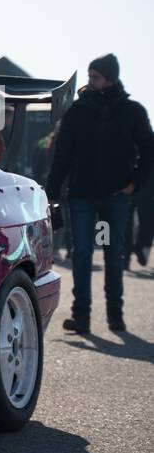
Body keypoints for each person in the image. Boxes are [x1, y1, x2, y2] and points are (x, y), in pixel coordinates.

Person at [45, 53, 154, 333]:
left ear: (110, 78)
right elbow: (63, 154)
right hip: (82, 197)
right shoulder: (77, 111)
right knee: (81, 252)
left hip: (114, 199)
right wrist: (52, 190)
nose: (90, 81)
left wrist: (135, 183)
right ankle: (81, 316)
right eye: (90, 75)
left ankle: (114, 315)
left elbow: (149, 150)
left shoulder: (132, 111)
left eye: (96, 76)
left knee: (111, 252)